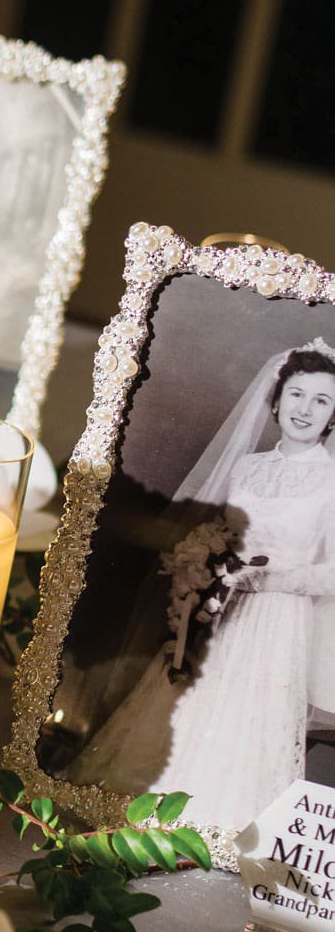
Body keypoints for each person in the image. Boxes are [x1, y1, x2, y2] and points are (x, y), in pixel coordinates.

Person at [71, 342, 335, 829]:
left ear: (333, 414)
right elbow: (217, 535)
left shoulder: (331, 480)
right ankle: (164, 805)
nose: (305, 409)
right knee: (191, 700)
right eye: (296, 394)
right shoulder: (247, 466)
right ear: (276, 400)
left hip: (279, 619)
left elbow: (332, 571)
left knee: (248, 716)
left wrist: (269, 577)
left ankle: (222, 821)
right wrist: (206, 567)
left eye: (322, 400)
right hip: (222, 607)